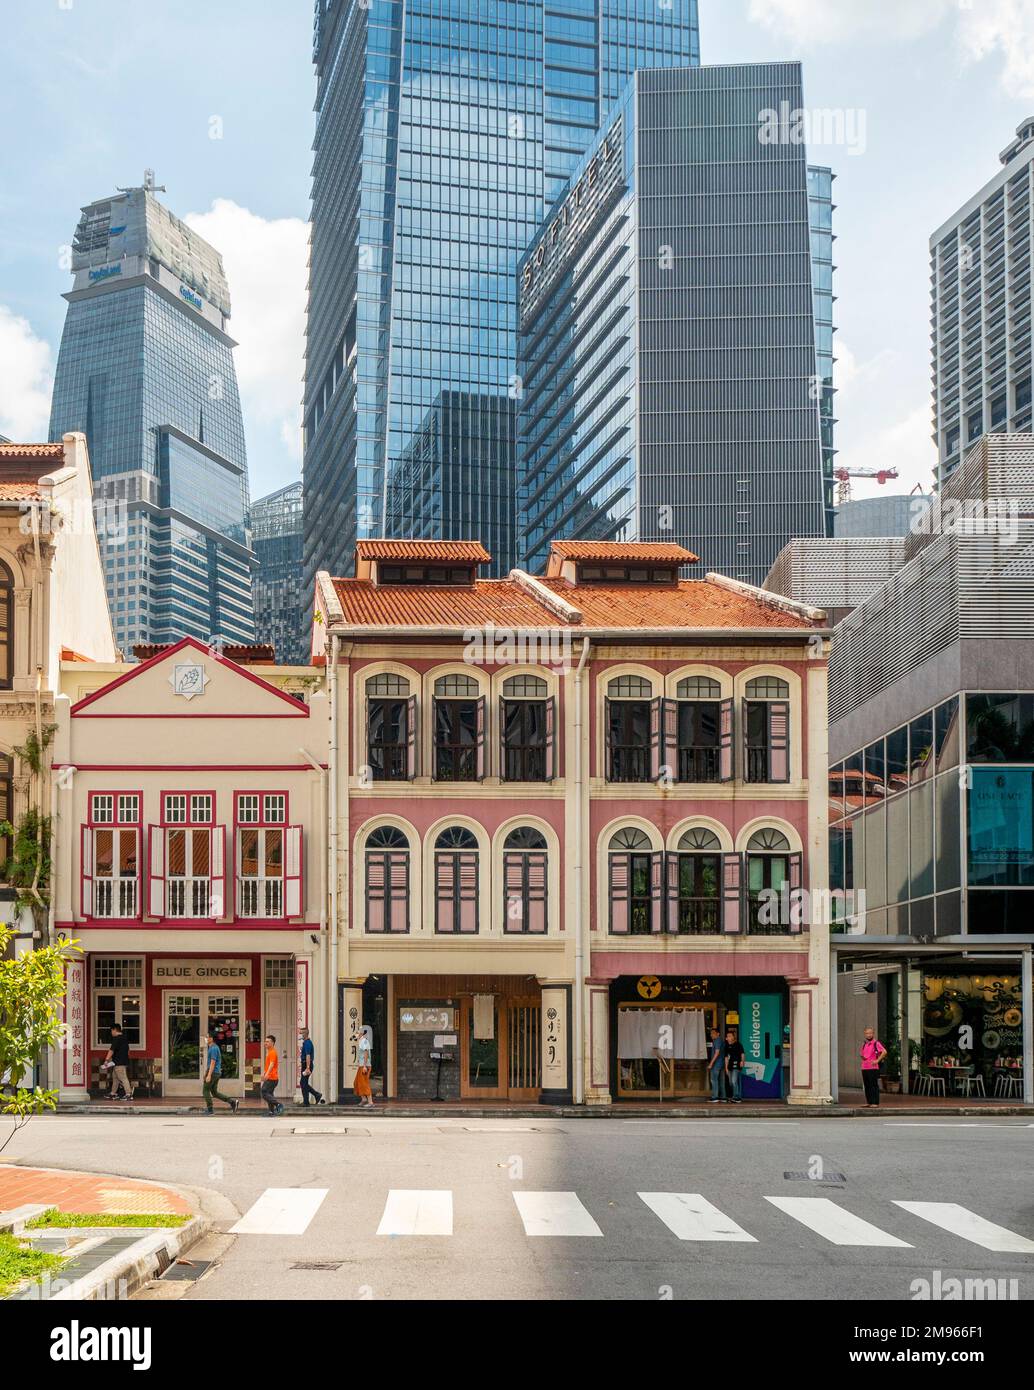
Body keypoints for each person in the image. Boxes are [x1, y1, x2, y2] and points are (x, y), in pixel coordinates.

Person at [202, 1032, 239, 1115]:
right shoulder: (212, 1048)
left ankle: (210, 1110)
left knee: (205, 1091)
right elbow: (210, 1063)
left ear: (211, 1039)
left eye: (207, 1037)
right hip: (215, 1072)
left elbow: (212, 1062)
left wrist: (209, 1075)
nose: (206, 1039)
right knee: (214, 1092)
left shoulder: (214, 1048)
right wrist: (206, 1073)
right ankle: (232, 1102)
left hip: (213, 1072)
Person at [104, 1023, 134, 1102]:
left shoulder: (116, 1039)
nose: (111, 1032)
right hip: (121, 1062)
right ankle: (113, 1093)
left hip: (119, 1063)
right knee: (115, 1078)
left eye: (111, 1030)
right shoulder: (124, 1038)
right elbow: (128, 1051)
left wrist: (106, 1060)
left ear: (114, 1030)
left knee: (123, 1078)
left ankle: (128, 1094)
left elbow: (111, 1050)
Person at [859, 1026, 887, 1107]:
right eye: (867, 1033)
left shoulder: (876, 1043)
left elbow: (884, 1052)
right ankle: (869, 1102)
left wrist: (877, 1060)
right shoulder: (865, 1044)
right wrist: (864, 1058)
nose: (869, 1035)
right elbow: (862, 1055)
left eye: (870, 1033)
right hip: (864, 1067)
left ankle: (875, 1102)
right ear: (865, 1034)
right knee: (867, 1085)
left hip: (873, 1068)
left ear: (873, 1034)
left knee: (873, 1085)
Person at [299, 1027, 325, 1108]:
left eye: (301, 1033)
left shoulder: (307, 1043)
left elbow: (308, 1055)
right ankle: (316, 1095)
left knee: (303, 1083)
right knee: (303, 1083)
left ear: (305, 1034)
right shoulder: (306, 1042)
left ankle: (307, 1102)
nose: (300, 1035)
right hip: (305, 1064)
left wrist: (307, 1067)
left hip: (307, 1065)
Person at [261, 1033, 284, 1115]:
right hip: (271, 1077)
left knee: (264, 1092)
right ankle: (271, 1112)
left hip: (272, 1078)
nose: (265, 1043)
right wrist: (264, 1073)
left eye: (267, 1041)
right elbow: (268, 1065)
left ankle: (278, 1104)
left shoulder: (273, 1052)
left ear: (272, 1043)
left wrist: (267, 1074)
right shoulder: (270, 1052)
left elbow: (271, 1064)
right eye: (265, 1041)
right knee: (269, 1094)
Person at [354, 1025, 374, 1109]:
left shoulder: (364, 1041)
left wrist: (365, 1066)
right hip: (362, 1065)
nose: (356, 1034)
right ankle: (364, 1099)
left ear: (361, 1033)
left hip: (364, 1066)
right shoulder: (361, 1041)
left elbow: (366, 1053)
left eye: (357, 1032)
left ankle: (370, 1102)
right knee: (357, 1082)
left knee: (364, 1083)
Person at [723, 1028, 745, 1103]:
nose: (728, 1037)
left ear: (733, 1037)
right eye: (727, 1036)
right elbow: (726, 1057)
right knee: (730, 1082)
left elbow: (742, 1053)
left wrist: (742, 1061)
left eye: (730, 1036)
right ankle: (734, 1096)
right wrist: (726, 1067)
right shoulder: (726, 1046)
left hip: (736, 1065)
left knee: (734, 1081)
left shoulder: (738, 1044)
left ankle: (737, 1097)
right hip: (729, 1066)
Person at [706, 1026, 725, 1103]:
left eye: (713, 1033)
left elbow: (717, 1053)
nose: (711, 1035)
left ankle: (715, 1097)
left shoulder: (717, 1041)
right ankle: (723, 1097)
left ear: (718, 1034)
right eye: (711, 1033)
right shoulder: (720, 1041)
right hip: (721, 1063)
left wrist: (711, 1063)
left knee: (714, 1080)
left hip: (716, 1064)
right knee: (720, 1080)